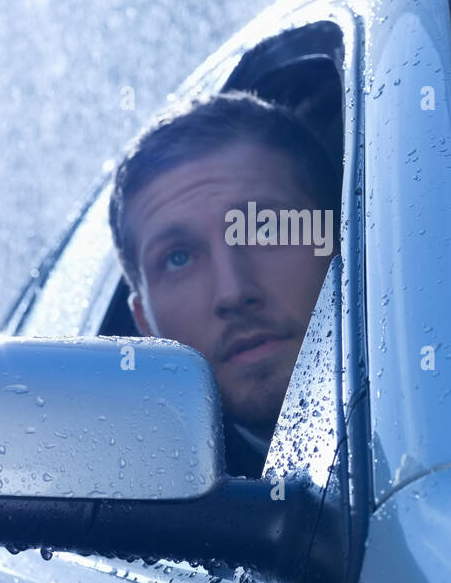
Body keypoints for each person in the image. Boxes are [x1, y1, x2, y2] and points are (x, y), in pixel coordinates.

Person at [107, 90, 340, 476]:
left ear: (341, 236)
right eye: (178, 258)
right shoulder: (152, 525)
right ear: (145, 325)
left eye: (266, 228)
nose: (233, 291)